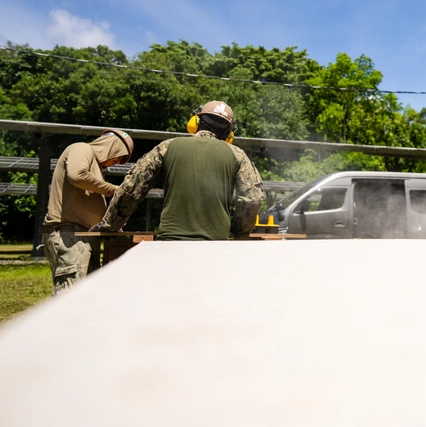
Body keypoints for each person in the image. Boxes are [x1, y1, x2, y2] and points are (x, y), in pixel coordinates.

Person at [92, 101, 264, 241]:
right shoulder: (238, 155)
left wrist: (111, 225)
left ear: (196, 122)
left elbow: (133, 186)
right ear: (228, 132)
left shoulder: (167, 147)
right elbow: (253, 198)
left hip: (171, 244)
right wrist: (240, 232)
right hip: (215, 246)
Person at [42, 129, 134, 293]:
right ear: (112, 147)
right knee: (70, 295)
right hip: (69, 235)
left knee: (86, 295)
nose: (117, 163)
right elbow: (77, 175)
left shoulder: (94, 165)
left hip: (83, 236)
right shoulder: (82, 148)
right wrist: (113, 190)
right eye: (120, 157)